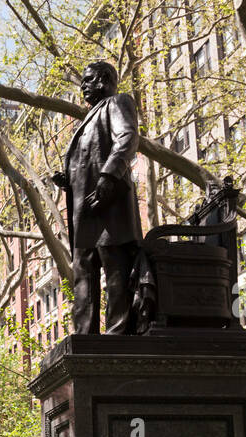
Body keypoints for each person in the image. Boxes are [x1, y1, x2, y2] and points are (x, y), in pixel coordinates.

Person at [50, 61, 143, 336]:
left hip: (108, 207)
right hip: (84, 213)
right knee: (82, 277)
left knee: (116, 273)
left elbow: (127, 138)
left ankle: (117, 334)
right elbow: (86, 160)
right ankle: (83, 336)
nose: (83, 86)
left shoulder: (117, 103)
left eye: (88, 80)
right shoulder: (87, 121)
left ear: (103, 80)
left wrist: (109, 176)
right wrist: (68, 178)